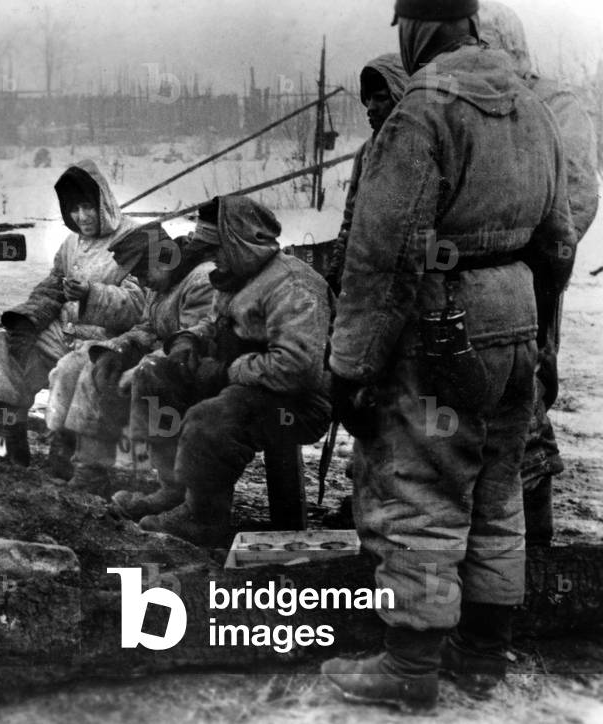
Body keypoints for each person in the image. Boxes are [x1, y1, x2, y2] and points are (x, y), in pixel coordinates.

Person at [321, 0, 576, 712]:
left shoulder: (422, 111)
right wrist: (542, 340)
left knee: (421, 491)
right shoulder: (531, 106)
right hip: (517, 321)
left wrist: (350, 366)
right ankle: (485, 656)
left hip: (441, 327)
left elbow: (384, 256)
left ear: (418, 26)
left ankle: (409, 666)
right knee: (497, 494)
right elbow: (558, 242)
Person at [133, 195, 332, 545]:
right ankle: (176, 489)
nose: (213, 259)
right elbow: (214, 323)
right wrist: (188, 341)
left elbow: (296, 368)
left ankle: (204, 517)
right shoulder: (235, 277)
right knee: (154, 377)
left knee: (210, 418)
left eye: (218, 250)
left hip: (298, 403)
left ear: (241, 244)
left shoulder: (294, 285)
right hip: (243, 385)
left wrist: (226, 371)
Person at [479, 0, 600, 547]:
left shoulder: (555, 103)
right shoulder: (473, 103)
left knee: (526, 398)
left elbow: (578, 193)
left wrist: (538, 264)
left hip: (531, 278)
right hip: (472, 280)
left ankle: (536, 545)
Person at [0, 160, 145, 465]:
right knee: (4, 343)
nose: (82, 217)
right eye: (73, 210)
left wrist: (92, 294)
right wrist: (27, 321)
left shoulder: (133, 238)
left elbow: (140, 304)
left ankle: (63, 457)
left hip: (105, 340)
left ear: (102, 201)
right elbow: (52, 287)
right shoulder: (71, 243)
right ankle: (8, 446)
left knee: (68, 369)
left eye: (87, 207)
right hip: (65, 334)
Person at [43, 219, 217, 497]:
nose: (142, 280)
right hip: (160, 361)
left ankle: (165, 487)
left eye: (143, 271)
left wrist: (133, 370)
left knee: (118, 376)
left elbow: (192, 344)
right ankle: (87, 469)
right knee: (95, 364)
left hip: (188, 372)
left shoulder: (200, 280)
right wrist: (117, 347)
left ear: (166, 256)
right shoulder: (163, 281)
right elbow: (148, 327)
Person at [325, 53, 409, 295]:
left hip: (408, 280)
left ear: (401, 99)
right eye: (368, 99)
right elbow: (350, 220)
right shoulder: (365, 153)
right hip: (366, 275)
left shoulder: (421, 153)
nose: (370, 108)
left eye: (381, 98)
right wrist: (336, 272)